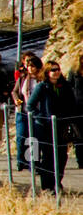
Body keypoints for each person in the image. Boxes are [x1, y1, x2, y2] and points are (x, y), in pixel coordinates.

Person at [26, 55, 64, 191]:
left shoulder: (64, 86)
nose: (57, 72)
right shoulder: (42, 87)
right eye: (53, 70)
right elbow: (29, 105)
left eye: (58, 69)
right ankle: (47, 186)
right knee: (48, 157)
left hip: (60, 126)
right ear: (48, 72)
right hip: (44, 128)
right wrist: (41, 118)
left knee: (61, 156)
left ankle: (56, 181)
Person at [13, 52, 37, 171]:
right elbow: (15, 91)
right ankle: (20, 160)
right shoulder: (23, 78)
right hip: (22, 111)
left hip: (36, 113)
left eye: (33, 66)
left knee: (33, 138)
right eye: (29, 66)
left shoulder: (41, 79)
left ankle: (32, 163)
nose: (31, 68)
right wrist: (17, 100)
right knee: (22, 136)